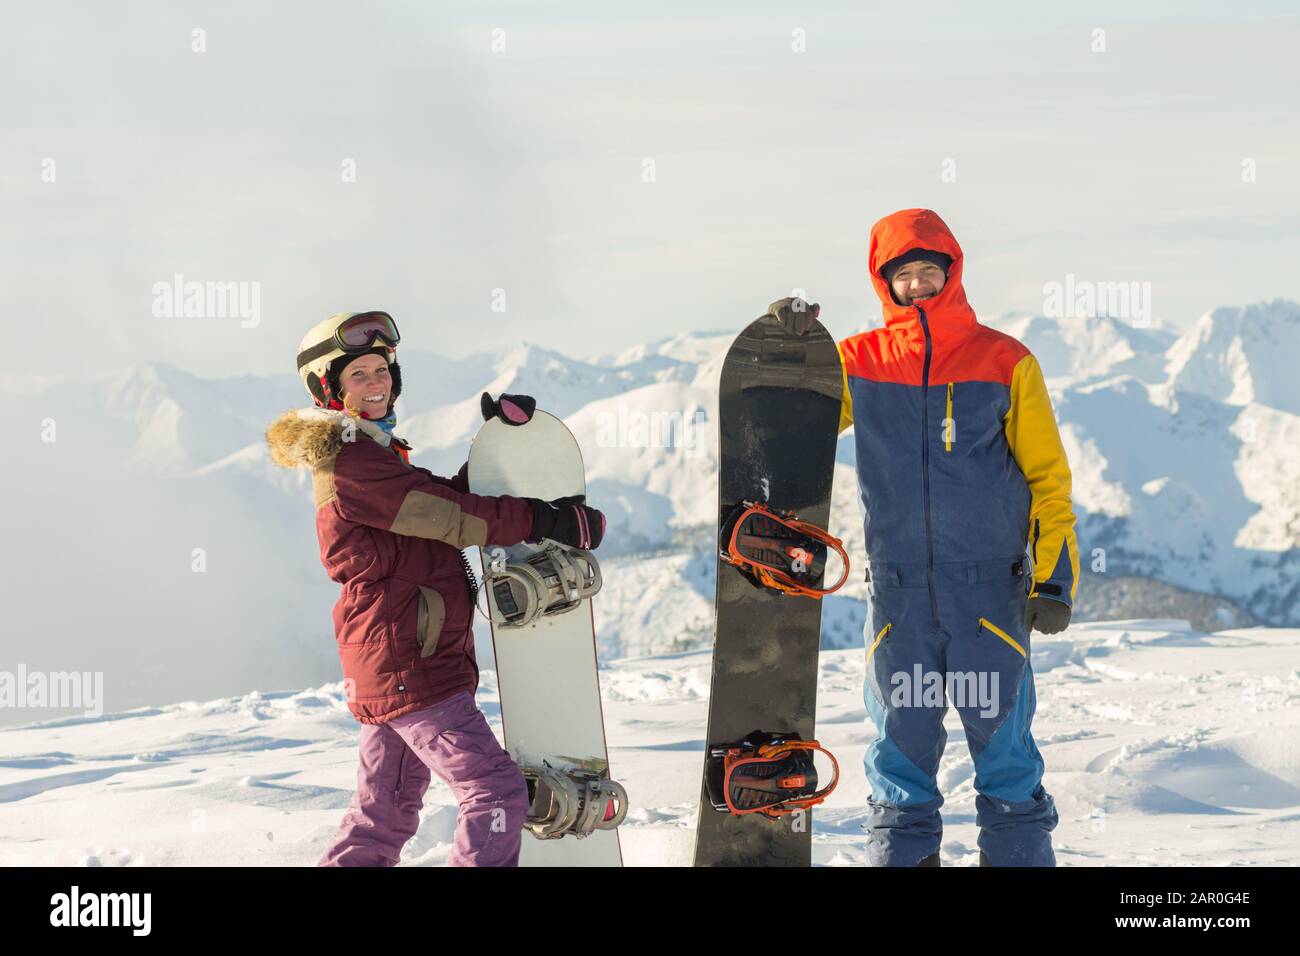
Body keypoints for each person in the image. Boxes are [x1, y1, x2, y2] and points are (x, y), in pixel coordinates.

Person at [265, 310, 606, 866]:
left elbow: (434, 504)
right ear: (330, 389)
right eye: (359, 375)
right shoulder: (352, 461)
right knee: (494, 791)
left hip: (394, 657)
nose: (376, 382)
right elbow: (446, 516)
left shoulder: (372, 453)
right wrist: (546, 521)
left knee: (384, 812)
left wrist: (494, 452)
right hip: (409, 660)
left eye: (382, 370)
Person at [834, 209, 1078, 866]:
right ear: (883, 281)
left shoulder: (1004, 360)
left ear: (952, 271)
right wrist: (787, 354)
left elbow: (1048, 478)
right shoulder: (856, 362)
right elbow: (797, 419)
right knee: (898, 770)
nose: (917, 285)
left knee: (1006, 767)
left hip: (989, 603)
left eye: (928, 271)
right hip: (898, 602)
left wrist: (1054, 577)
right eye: (903, 275)